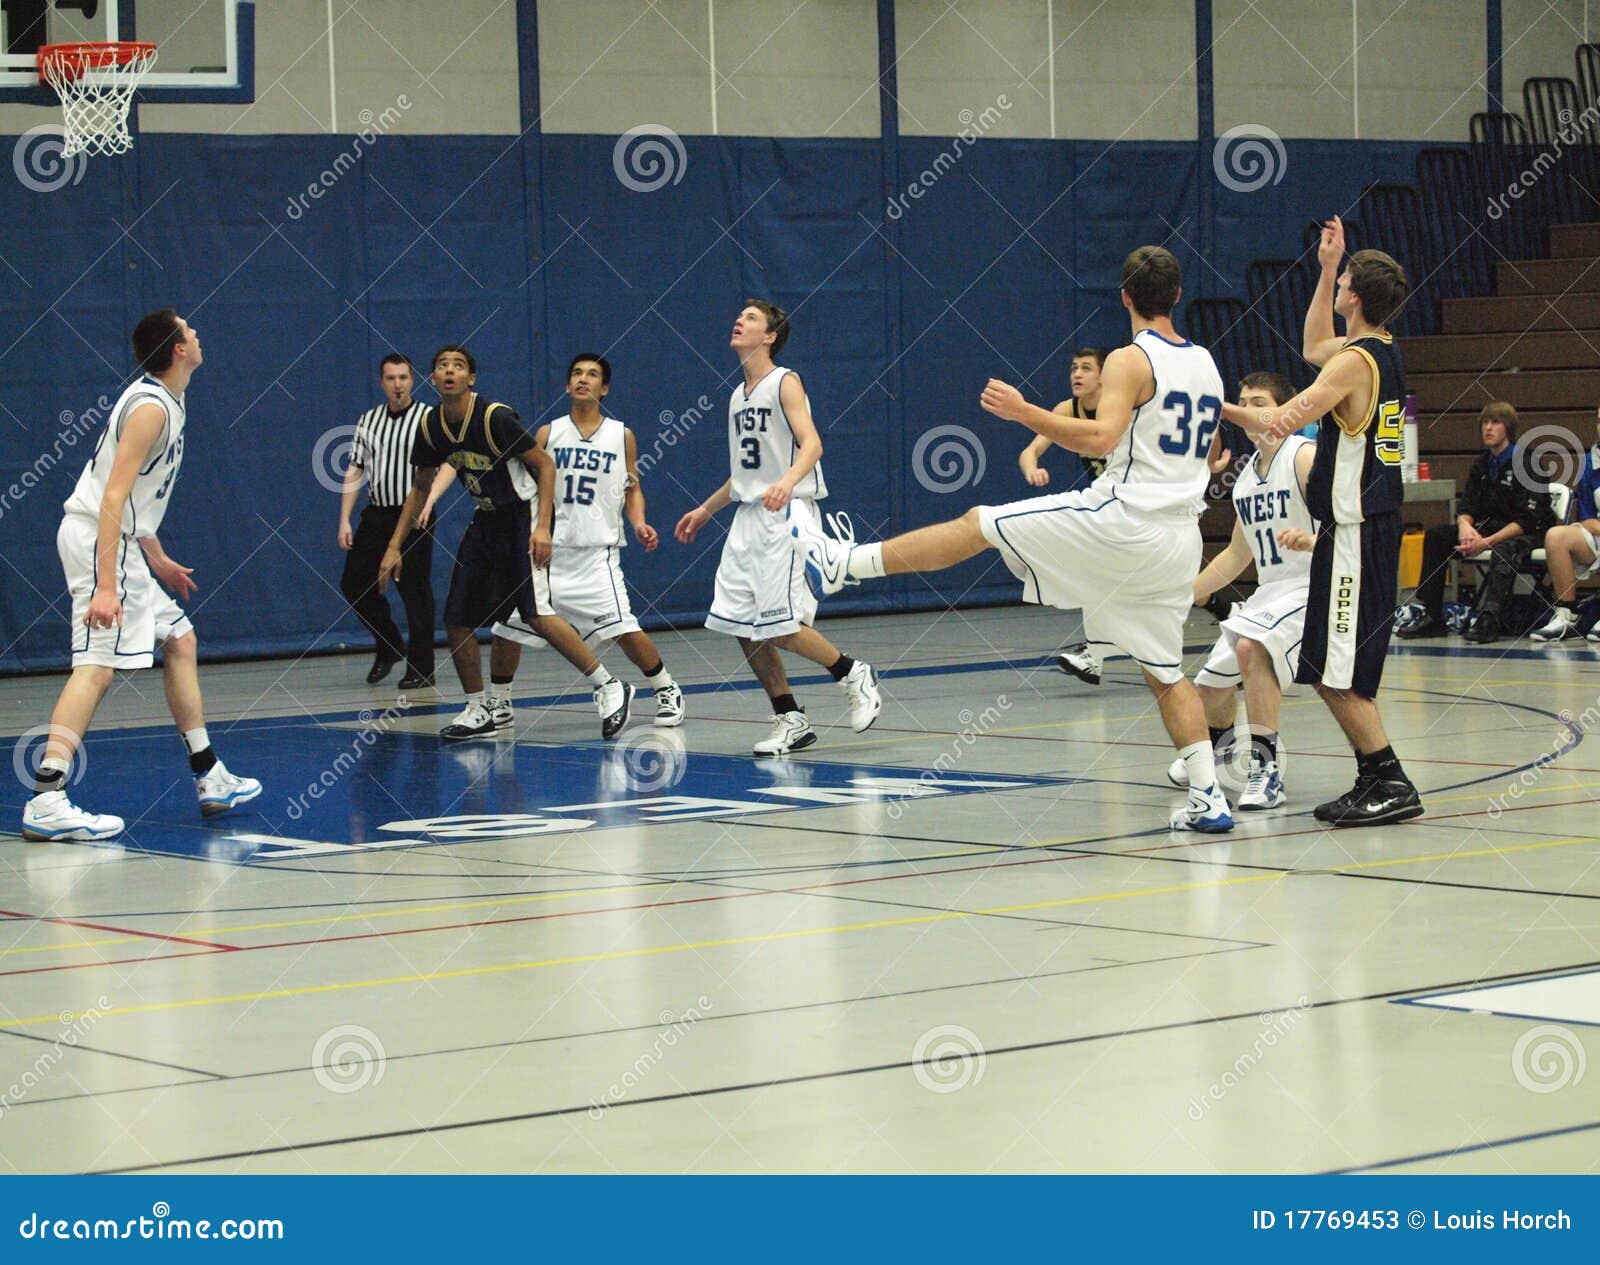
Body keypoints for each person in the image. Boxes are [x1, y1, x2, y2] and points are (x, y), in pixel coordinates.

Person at [792, 247, 1235, 832]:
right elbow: (1208, 454)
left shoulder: (1130, 358)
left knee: (979, 523)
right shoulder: (1205, 362)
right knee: (1164, 669)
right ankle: (1209, 797)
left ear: (1124, 297)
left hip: (1123, 522)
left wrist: (1026, 412)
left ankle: (848, 563)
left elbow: (1102, 439)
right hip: (1179, 539)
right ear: (1177, 295)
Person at [22, 310, 261, 841]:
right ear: (178, 349)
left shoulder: (168, 400)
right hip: (99, 543)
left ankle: (210, 776)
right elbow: (111, 496)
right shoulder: (151, 407)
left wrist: (155, 555)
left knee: (180, 638)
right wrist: (108, 584)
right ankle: (46, 797)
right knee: (96, 668)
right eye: (190, 330)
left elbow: (131, 496)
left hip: (122, 545)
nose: (198, 333)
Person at [1223, 216, 1422, 827]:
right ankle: (1373, 778)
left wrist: (1211, 403)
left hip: (1359, 528)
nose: (1338, 292)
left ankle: (1389, 779)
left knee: (1335, 670)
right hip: (1351, 529)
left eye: (1343, 283)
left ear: (1357, 296)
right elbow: (1313, 346)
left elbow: (1279, 420)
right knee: (1330, 665)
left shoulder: (1356, 364)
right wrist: (1327, 268)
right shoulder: (1374, 351)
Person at [377, 345, 634, 741]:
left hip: (521, 515)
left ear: (471, 378)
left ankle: (608, 684)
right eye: (442, 366)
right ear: (433, 378)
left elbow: (545, 465)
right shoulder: (431, 426)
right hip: (486, 519)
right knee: (457, 618)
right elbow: (420, 487)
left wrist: (543, 526)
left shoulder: (494, 417)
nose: (450, 371)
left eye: (458, 366)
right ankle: (480, 708)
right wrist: (395, 545)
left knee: (534, 613)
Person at [674, 299, 882, 756]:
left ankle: (852, 672)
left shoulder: (784, 381)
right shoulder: (736, 394)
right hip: (748, 516)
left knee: (780, 626)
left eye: (750, 318)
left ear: (769, 336)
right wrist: (706, 510)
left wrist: (787, 483)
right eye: (740, 314)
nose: (739, 320)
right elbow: (745, 474)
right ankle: (790, 718)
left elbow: (813, 444)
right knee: (743, 626)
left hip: (786, 515)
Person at [475, 353, 685, 725]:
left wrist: (638, 523)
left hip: (596, 553)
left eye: (592, 375)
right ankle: (500, 702)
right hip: (549, 551)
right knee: (508, 625)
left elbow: (631, 486)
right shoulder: (548, 433)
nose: (583, 379)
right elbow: (530, 487)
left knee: (623, 628)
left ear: (604, 388)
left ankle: (666, 687)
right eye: (576, 373)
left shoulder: (622, 435)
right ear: (567, 384)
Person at [1166, 372, 1313, 811]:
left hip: (1315, 584)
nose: (1247, 408)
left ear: (1282, 410)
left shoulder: (1304, 456)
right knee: (1210, 685)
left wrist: (1315, 542)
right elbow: (1235, 555)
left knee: (1251, 648)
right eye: (1242, 401)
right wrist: (1182, 593)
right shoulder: (1247, 475)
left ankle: (1266, 771)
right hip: (1273, 593)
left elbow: (1350, 523)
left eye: (1259, 401)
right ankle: (1218, 749)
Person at [1397, 402, 1553, 644]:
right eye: (1485, 423)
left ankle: (1490, 616)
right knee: (1438, 535)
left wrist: (1486, 542)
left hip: (1528, 533)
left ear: (1508, 428)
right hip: (1489, 528)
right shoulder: (1482, 465)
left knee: (1504, 548)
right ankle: (1432, 615)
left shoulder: (1528, 462)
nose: (1488, 428)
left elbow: (1527, 520)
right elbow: (1467, 507)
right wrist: (1465, 528)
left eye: (1495, 423)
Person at [338, 353, 436, 688]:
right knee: (354, 583)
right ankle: (390, 643)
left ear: (413, 381)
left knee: (414, 590)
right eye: (391, 378)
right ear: (382, 383)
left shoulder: (428, 418)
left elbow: (444, 465)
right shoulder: (369, 420)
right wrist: (344, 519)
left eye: (403, 378)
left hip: (413, 513)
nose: (397, 385)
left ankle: (422, 667)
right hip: (378, 511)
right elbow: (356, 468)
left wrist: (429, 501)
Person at [1018, 347, 1107, 684]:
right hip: (1107, 504)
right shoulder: (1067, 410)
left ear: (1104, 376)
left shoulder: (1121, 408)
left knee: (1153, 584)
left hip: (1140, 500)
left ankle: (1224, 609)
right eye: (1073, 368)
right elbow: (1031, 450)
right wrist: (1033, 468)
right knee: (1103, 573)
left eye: (1086, 368)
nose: (1077, 374)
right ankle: (1094, 654)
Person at [1532, 406, 1600, 642]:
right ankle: (1567, 613)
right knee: (1556, 536)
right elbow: (1586, 517)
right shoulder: (1591, 463)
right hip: (1598, 534)